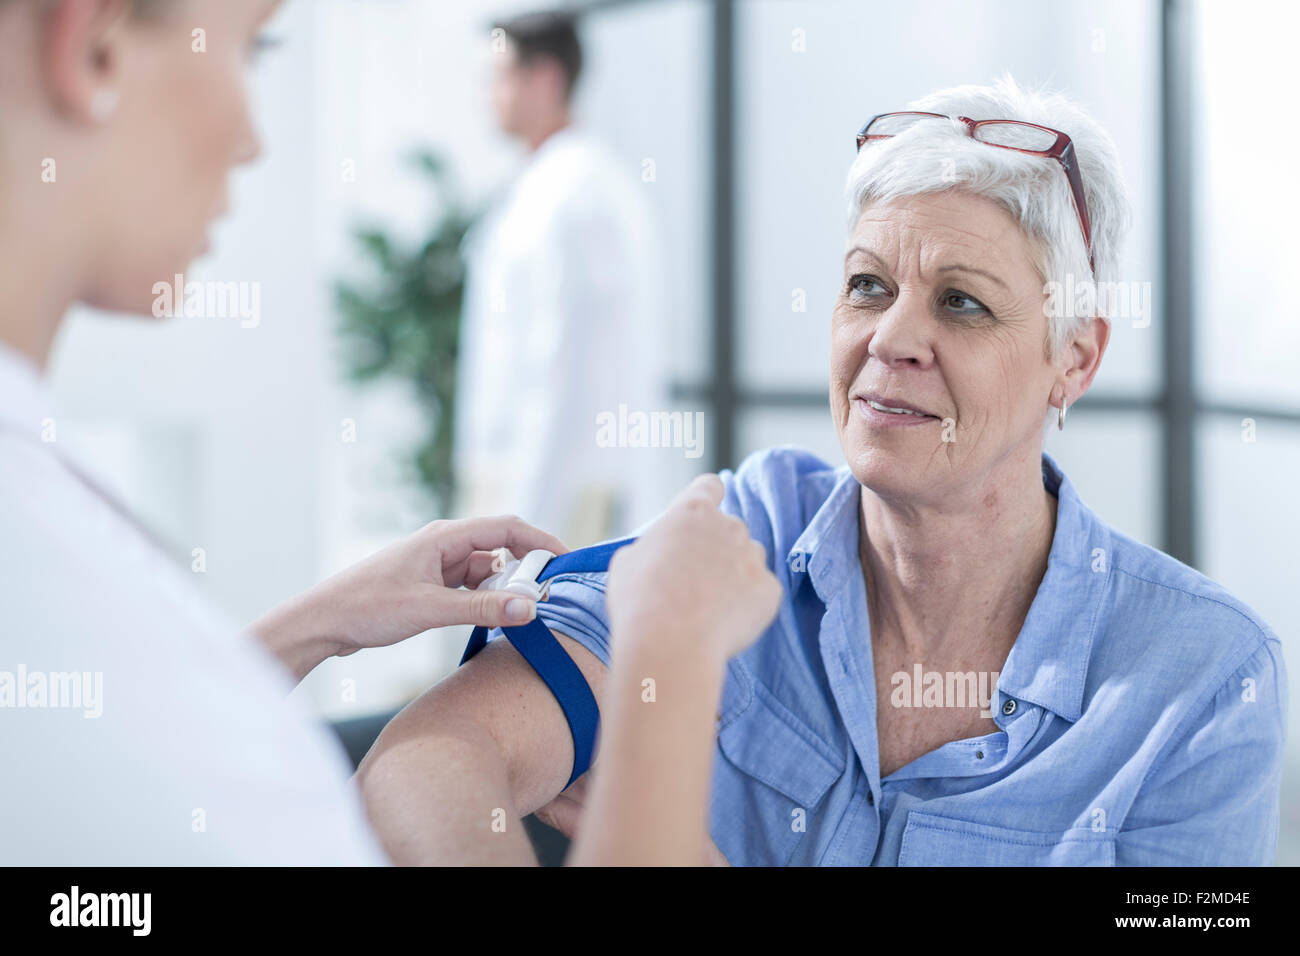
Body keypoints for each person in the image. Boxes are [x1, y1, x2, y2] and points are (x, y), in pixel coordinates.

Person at [358, 75, 1288, 866]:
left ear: (1074, 359)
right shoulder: (742, 529)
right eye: (867, 285)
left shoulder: (1204, 681)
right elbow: (427, 764)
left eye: (960, 303)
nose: (889, 339)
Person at [0, 0, 779, 866]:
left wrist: (321, 624)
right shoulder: (47, 569)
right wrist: (667, 665)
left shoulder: (578, 194)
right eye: (252, 46)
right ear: (93, 43)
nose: (256, 139)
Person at [453, 9, 669, 547]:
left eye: (497, 77)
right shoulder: (543, 184)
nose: (485, 94)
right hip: (522, 477)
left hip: (560, 489)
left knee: (545, 625)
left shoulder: (576, 195)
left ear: (545, 79)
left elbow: (561, 366)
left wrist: (526, 514)